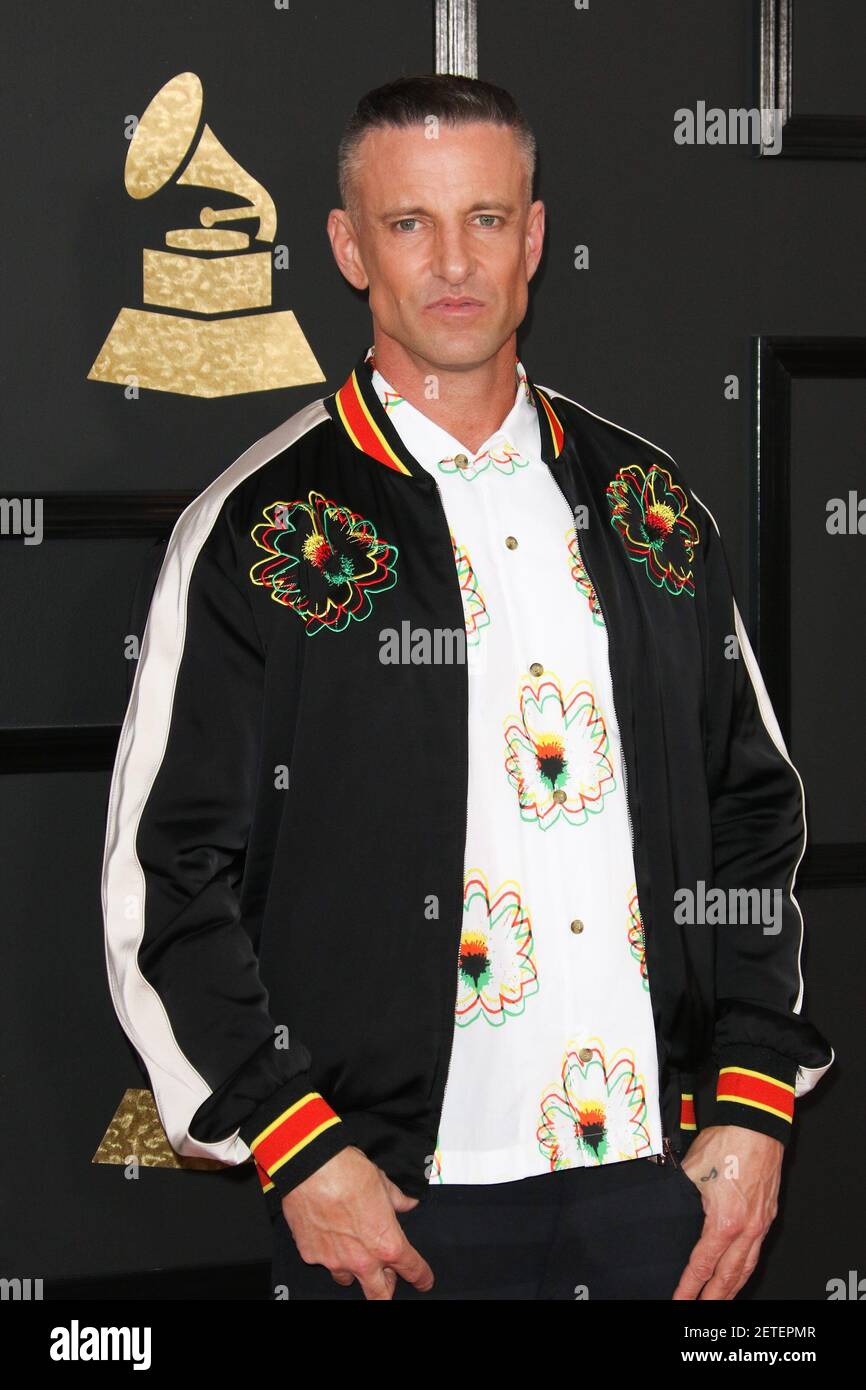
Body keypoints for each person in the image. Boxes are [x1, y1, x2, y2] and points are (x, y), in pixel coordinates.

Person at [101, 73, 835, 1301]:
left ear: (534, 237)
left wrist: (753, 1099)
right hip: (388, 1207)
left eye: (485, 218)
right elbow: (164, 878)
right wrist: (295, 1143)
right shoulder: (258, 531)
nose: (453, 260)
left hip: (655, 1188)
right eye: (408, 223)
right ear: (346, 247)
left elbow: (751, 815)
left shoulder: (648, 507)